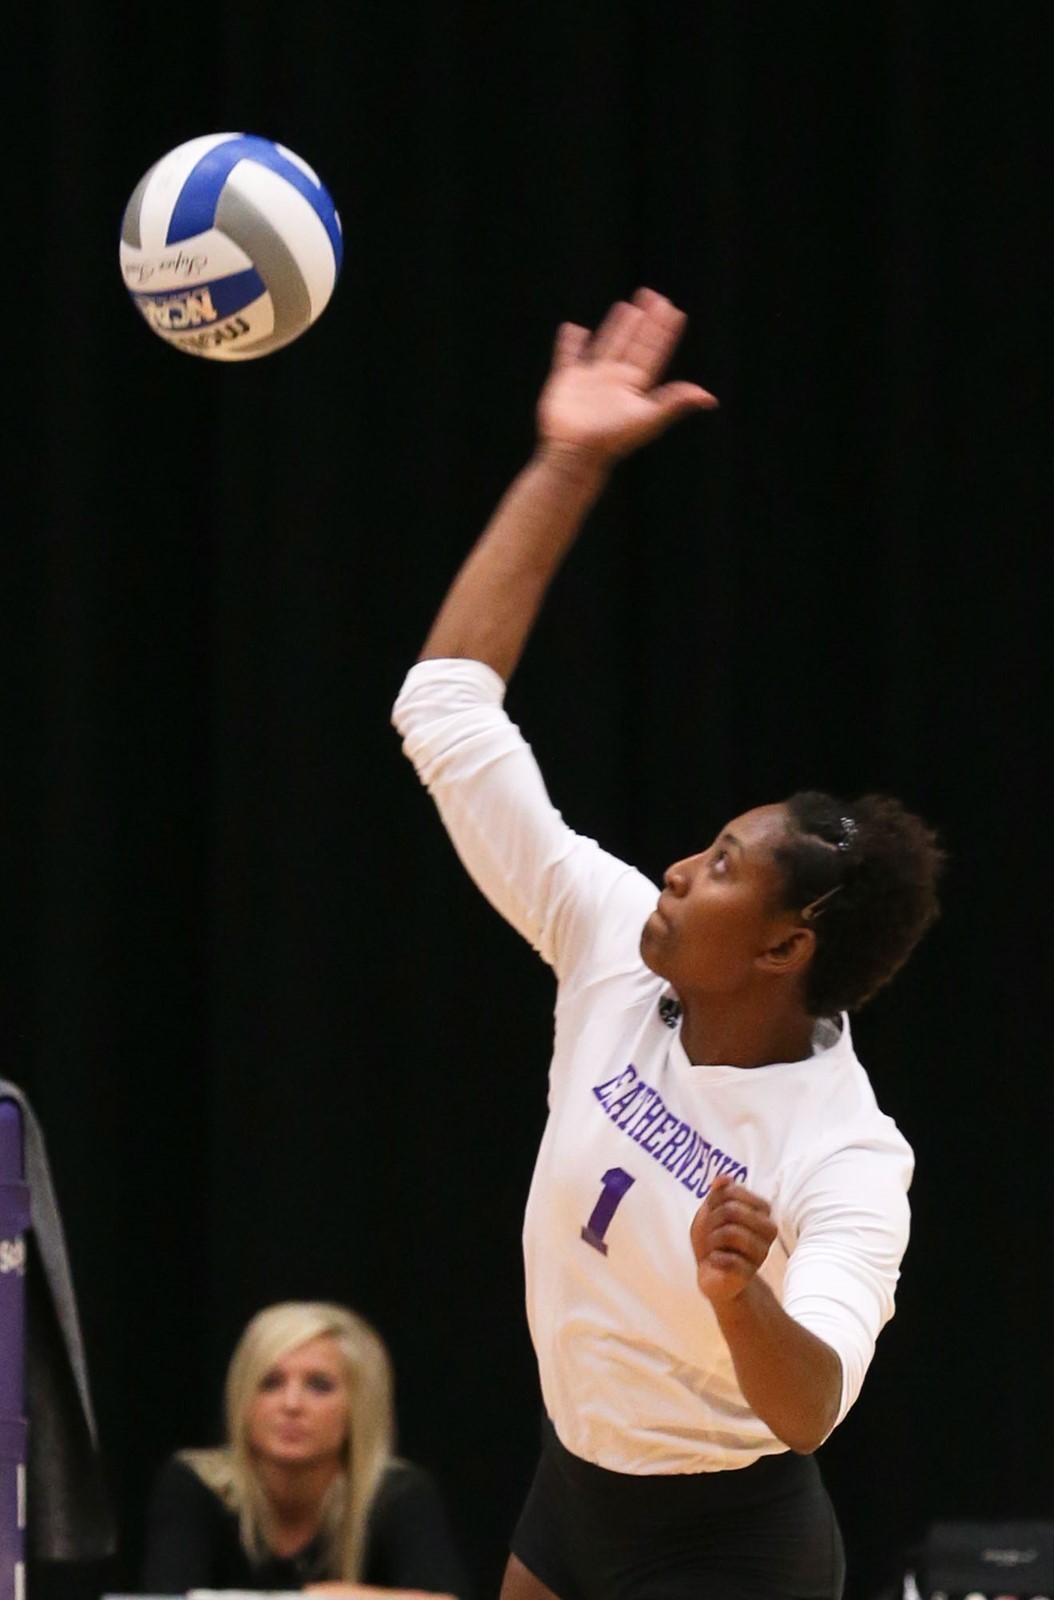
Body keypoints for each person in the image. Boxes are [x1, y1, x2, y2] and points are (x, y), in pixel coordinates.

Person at [391, 288, 944, 1600]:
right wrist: (567, 462)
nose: (681, 871)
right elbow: (446, 710)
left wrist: (740, 1296)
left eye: (725, 870)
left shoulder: (844, 1151)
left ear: (783, 947)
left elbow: (811, 1404)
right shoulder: (611, 944)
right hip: (571, 1487)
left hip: (728, 1548)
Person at [141, 1301, 470, 1598]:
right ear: (242, 1398)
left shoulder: (397, 1492)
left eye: (319, 1385)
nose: (291, 1404)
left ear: (358, 1407)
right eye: (270, 1383)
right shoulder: (195, 1485)